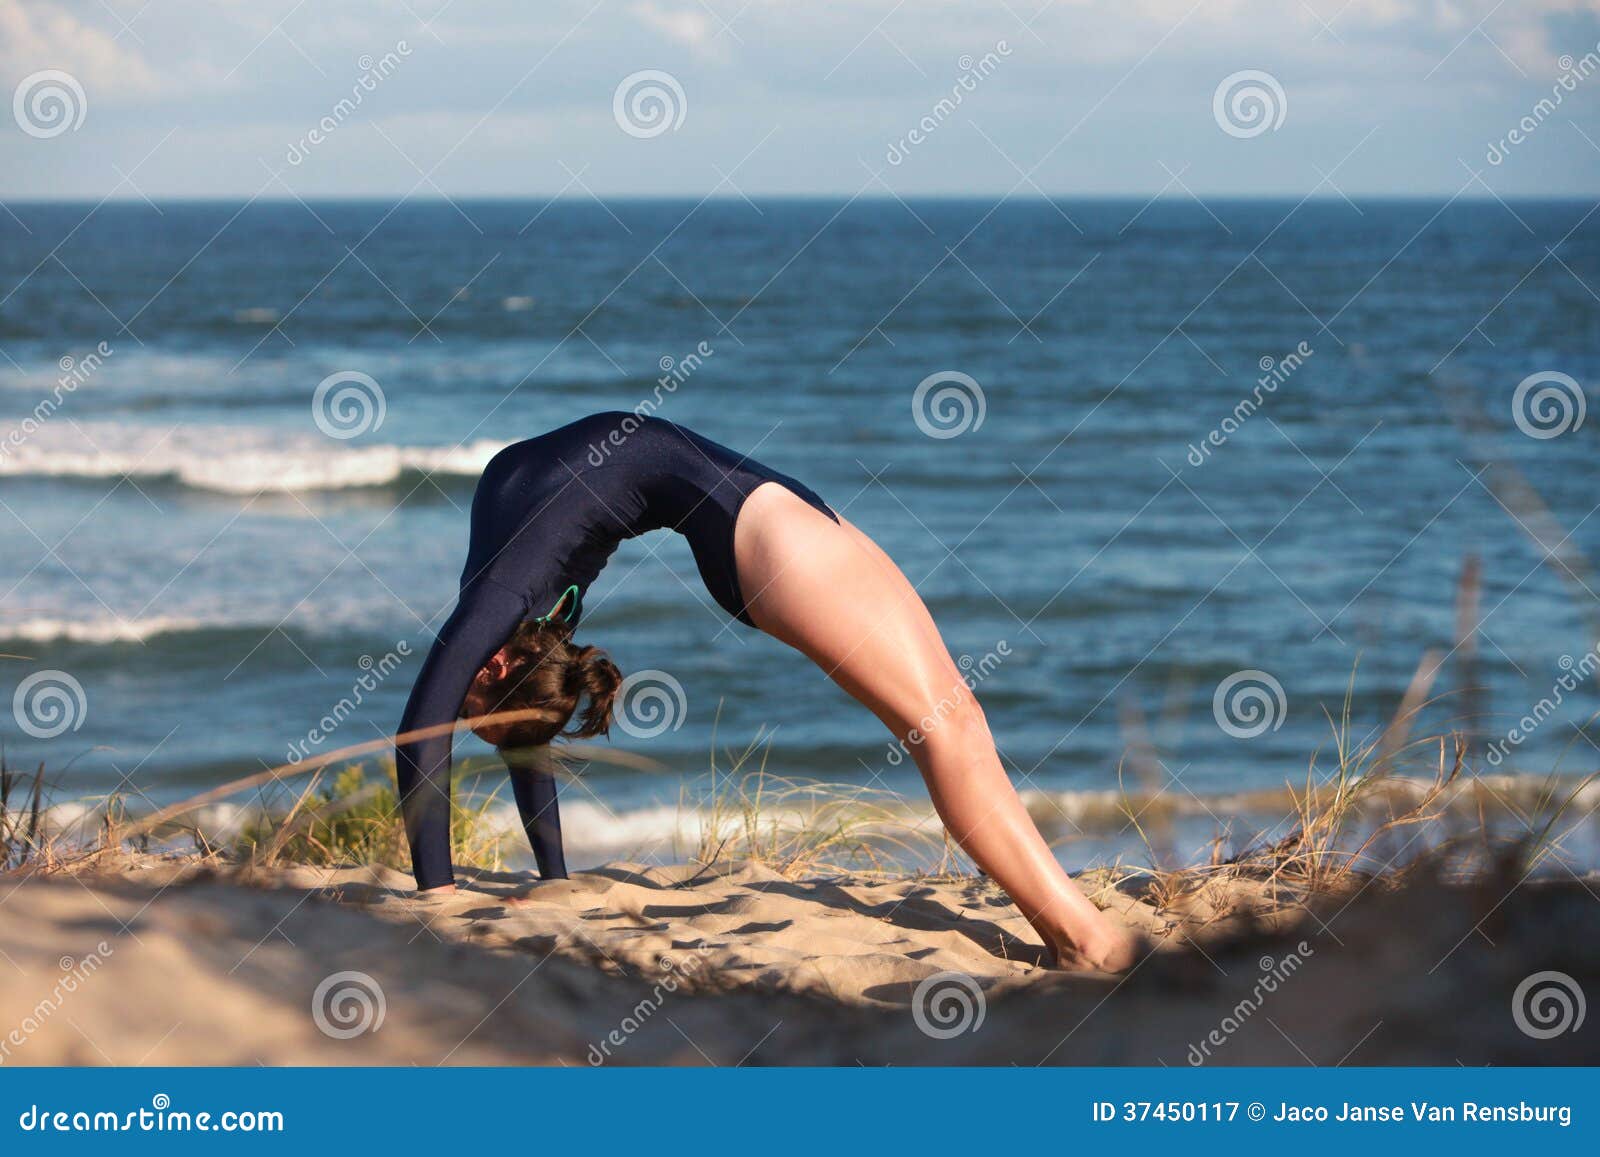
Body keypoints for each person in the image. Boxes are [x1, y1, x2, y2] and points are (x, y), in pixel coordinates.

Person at [395, 412, 1138, 971]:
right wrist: (510, 887)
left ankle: (1075, 932)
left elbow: (417, 732)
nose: (463, 718)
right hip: (766, 520)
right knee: (950, 723)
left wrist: (443, 894)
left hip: (768, 524)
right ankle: (1081, 935)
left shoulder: (502, 594)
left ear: (492, 670)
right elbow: (507, 733)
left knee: (950, 723)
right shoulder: (526, 611)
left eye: (478, 722)